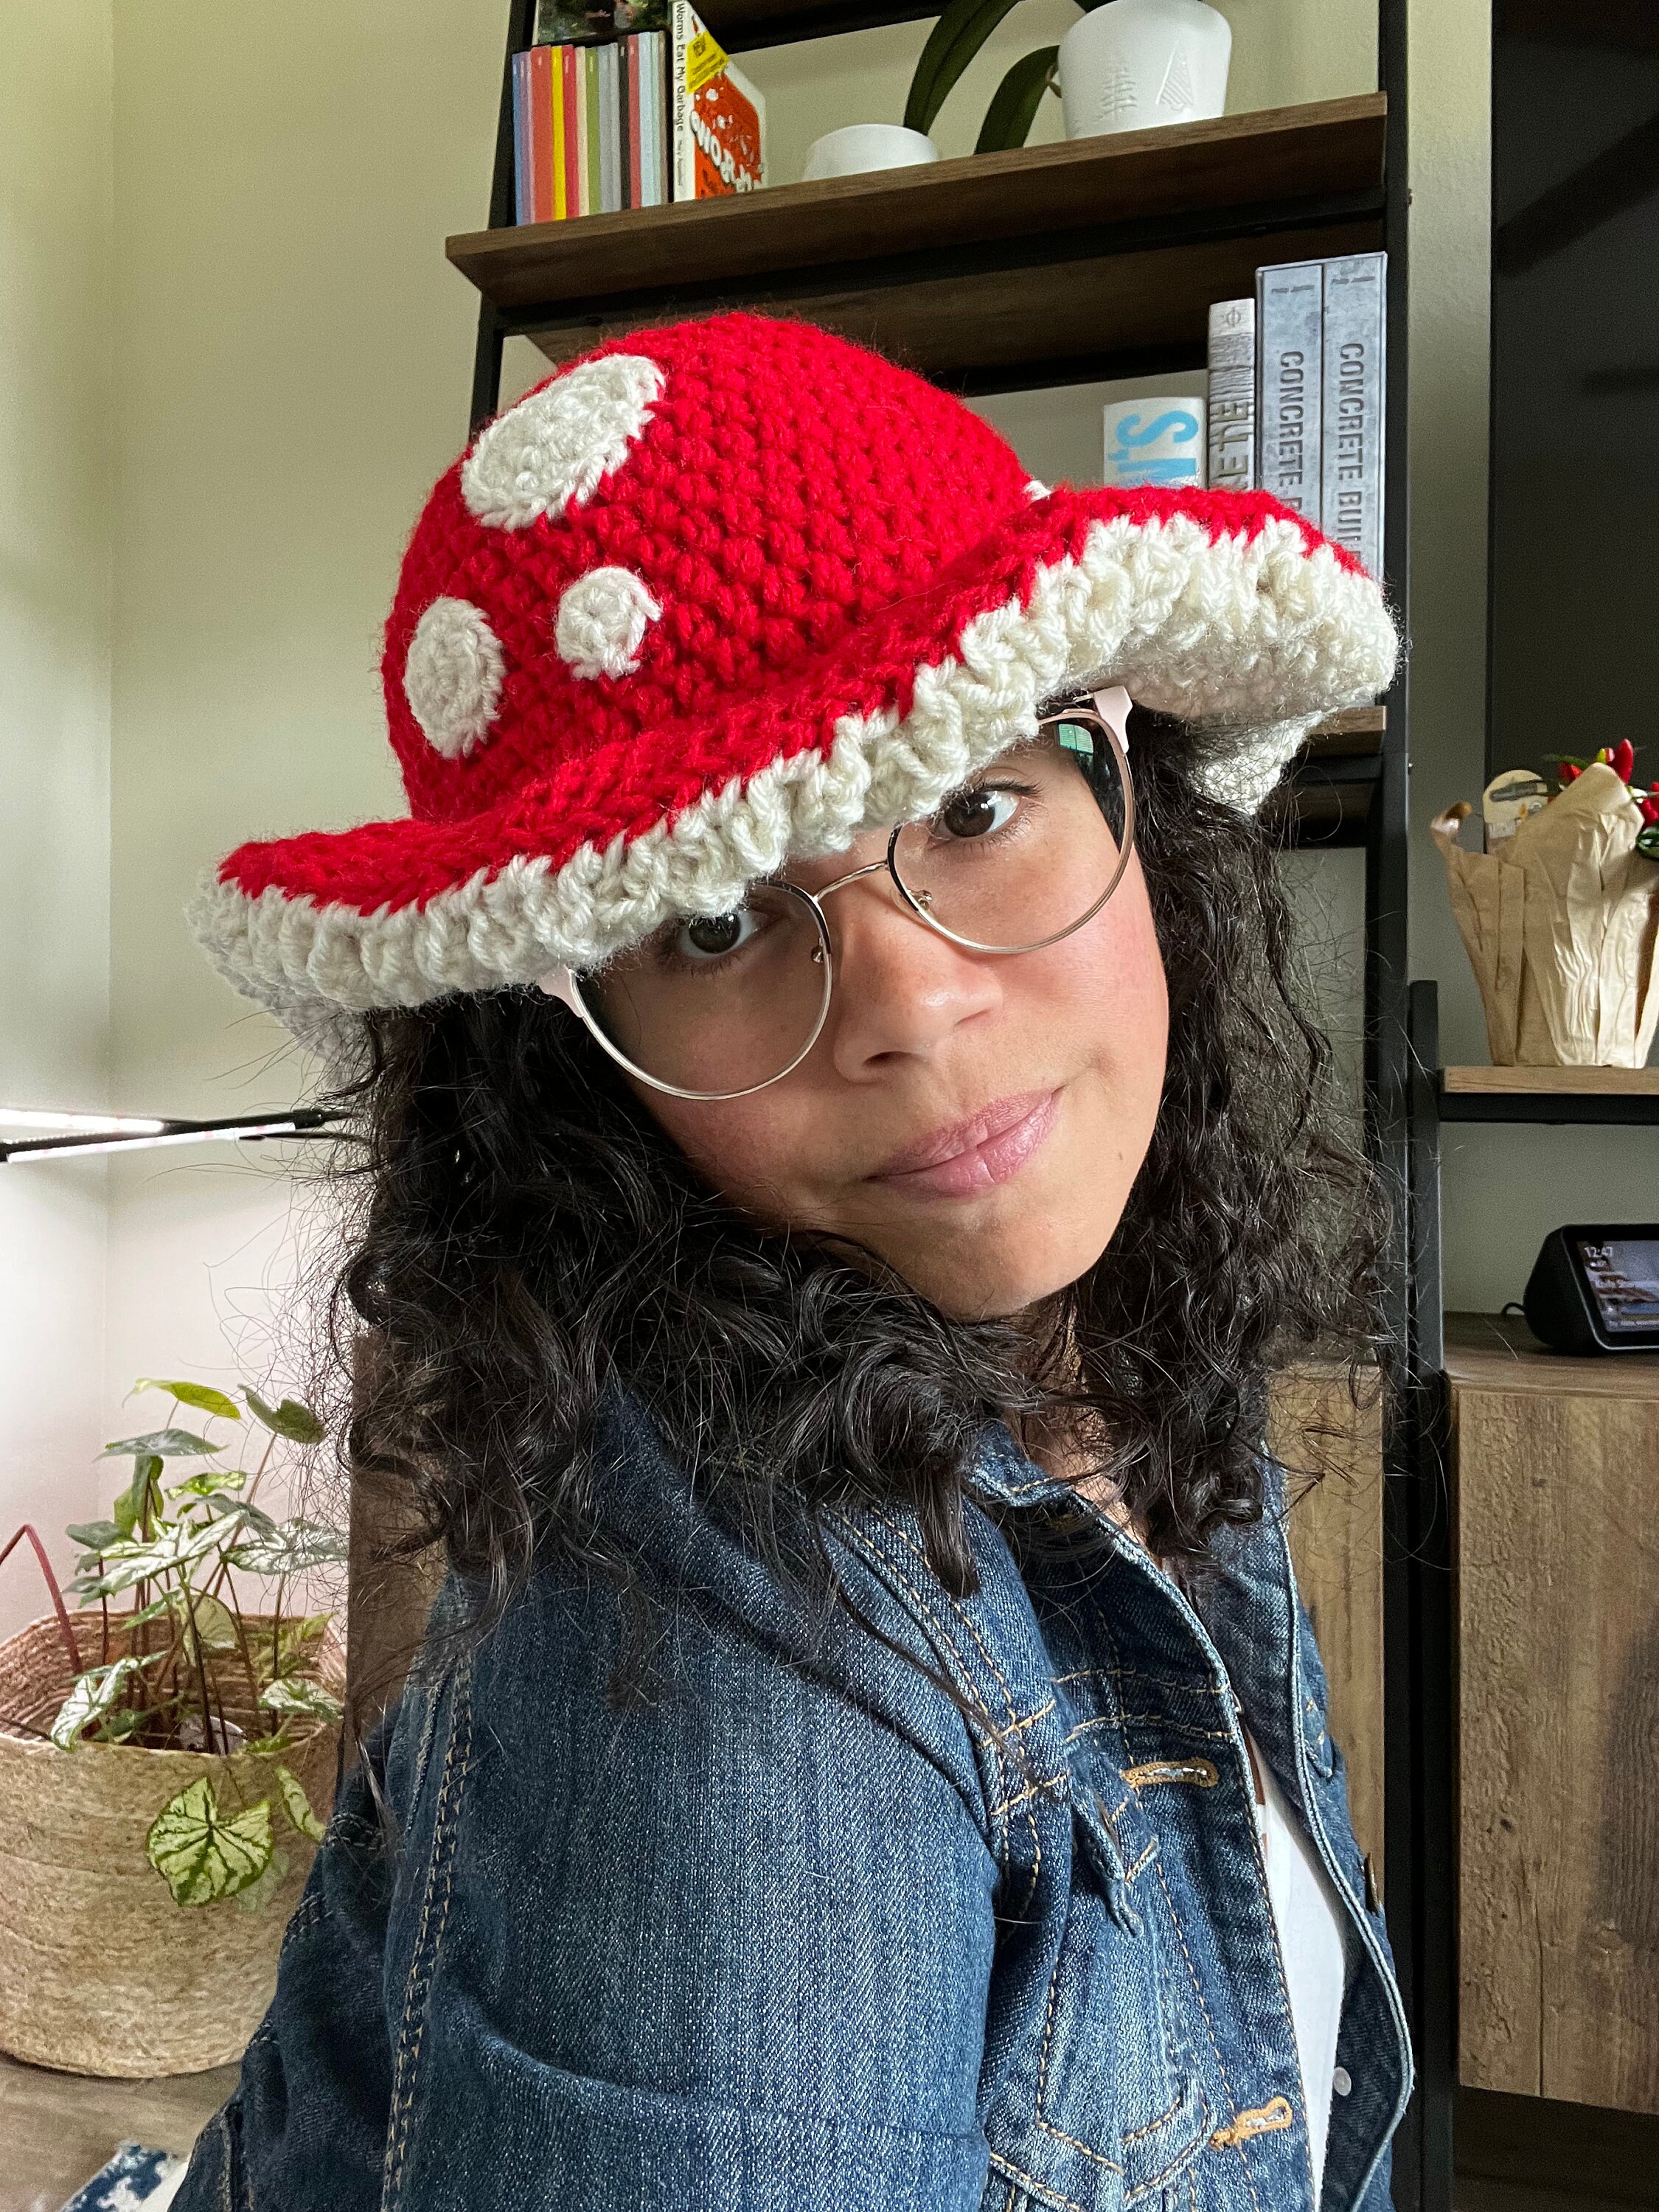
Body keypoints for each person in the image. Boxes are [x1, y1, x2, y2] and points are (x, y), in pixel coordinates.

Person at [177, 311, 1411, 2212]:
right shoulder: (726, 1669)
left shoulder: (1115, 1355)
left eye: (978, 808)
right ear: (580, 1071)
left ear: (1130, 798)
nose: (912, 1004)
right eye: (717, 921)